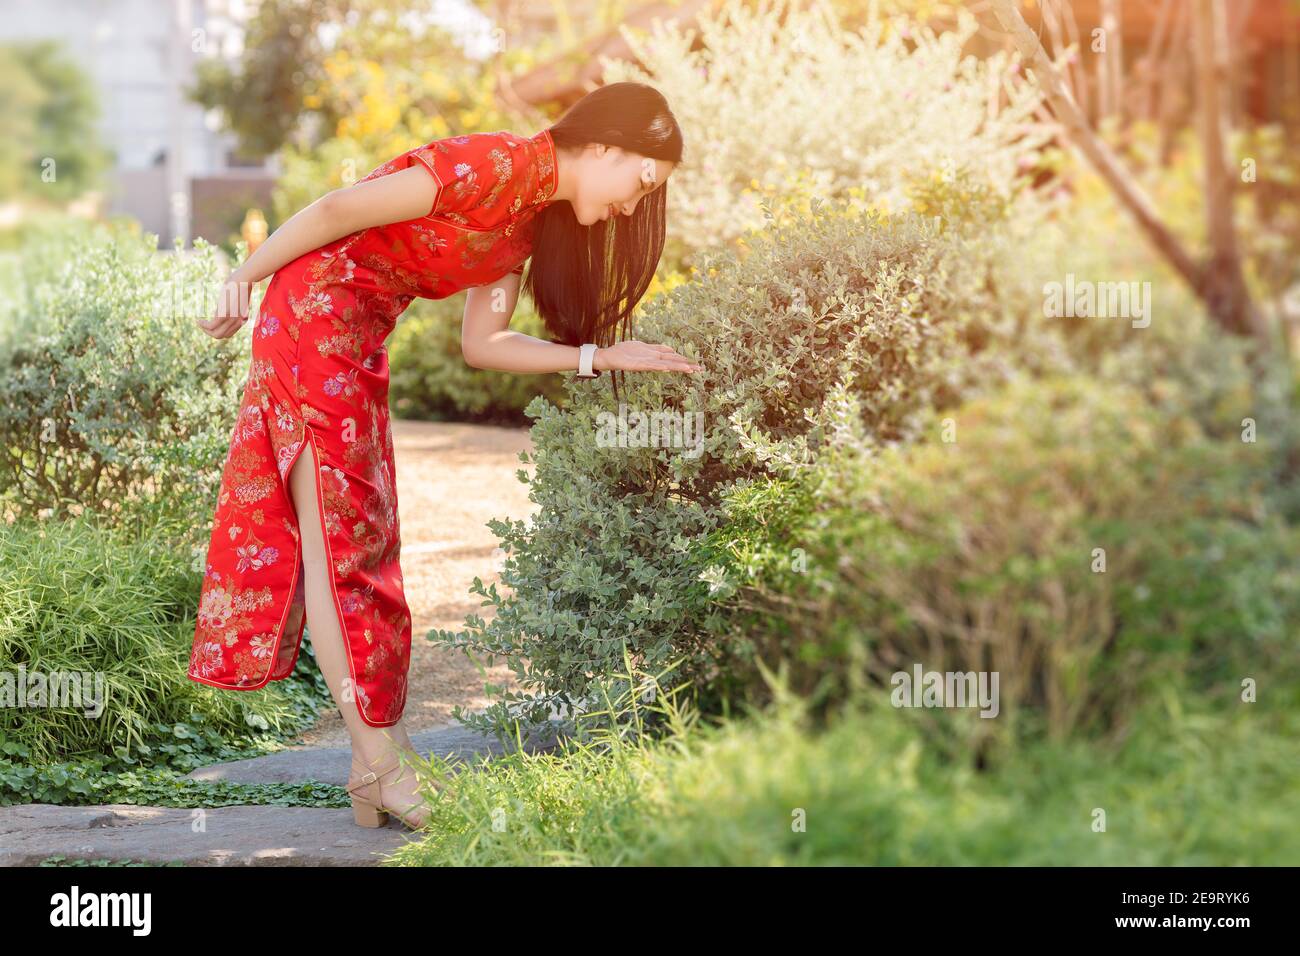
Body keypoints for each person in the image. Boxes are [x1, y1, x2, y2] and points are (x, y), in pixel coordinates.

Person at [187, 82, 697, 830]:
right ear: (606, 147)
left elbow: (482, 345)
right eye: (640, 184)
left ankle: (379, 764)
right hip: (309, 316)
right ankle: (381, 764)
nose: (633, 206)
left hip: (354, 335)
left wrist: (596, 354)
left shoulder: (527, 223)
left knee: (368, 536)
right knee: (339, 538)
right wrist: (244, 275)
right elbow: (336, 210)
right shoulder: (490, 165)